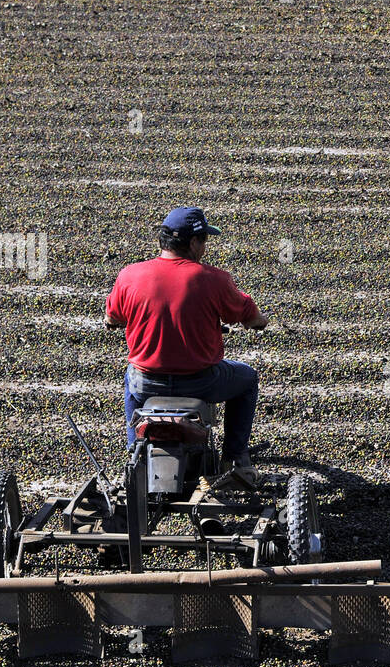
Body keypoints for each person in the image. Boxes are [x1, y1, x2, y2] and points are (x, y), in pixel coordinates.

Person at [104, 206, 268, 484]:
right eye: (204, 240)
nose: (205, 247)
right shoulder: (213, 279)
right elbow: (251, 317)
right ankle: (236, 458)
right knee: (247, 378)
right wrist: (259, 322)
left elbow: (112, 317)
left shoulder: (129, 275)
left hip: (148, 383)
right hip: (200, 383)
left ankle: (135, 456)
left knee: (130, 377)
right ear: (193, 243)